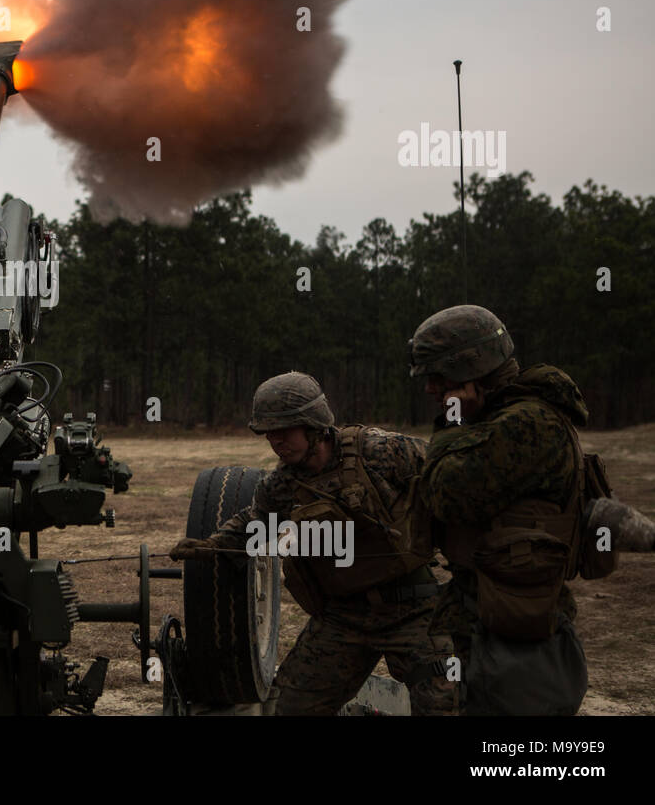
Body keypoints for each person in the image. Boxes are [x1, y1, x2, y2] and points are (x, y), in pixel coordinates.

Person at [171, 372, 452, 715]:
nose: (276, 441)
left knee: (446, 705)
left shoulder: (381, 451)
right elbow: (256, 522)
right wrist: (212, 545)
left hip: (414, 609)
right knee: (288, 709)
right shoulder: (283, 484)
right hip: (344, 618)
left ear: (314, 425)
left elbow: (449, 483)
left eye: (283, 430)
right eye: (268, 433)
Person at [408, 304, 594, 714]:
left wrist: (451, 421)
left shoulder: (526, 424)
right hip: (494, 617)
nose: (430, 390)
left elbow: (444, 493)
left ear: (470, 370)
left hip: (516, 631)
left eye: (437, 377)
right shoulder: (504, 419)